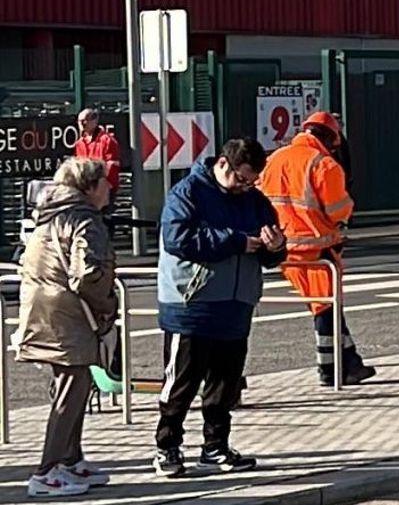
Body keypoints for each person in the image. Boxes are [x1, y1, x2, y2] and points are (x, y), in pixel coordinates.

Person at [153, 138, 285, 477]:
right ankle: (167, 447)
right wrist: (236, 241)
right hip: (191, 305)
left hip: (236, 304)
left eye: (252, 181)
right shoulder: (188, 192)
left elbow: (272, 251)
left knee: (224, 385)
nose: (245, 187)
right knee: (181, 383)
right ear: (223, 165)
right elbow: (178, 239)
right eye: (241, 179)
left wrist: (275, 246)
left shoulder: (254, 200)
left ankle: (215, 446)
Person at [14, 157, 118, 496]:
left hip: (42, 309)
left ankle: (71, 460)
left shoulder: (50, 214)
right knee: (71, 389)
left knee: (75, 382)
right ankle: (47, 469)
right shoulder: (85, 220)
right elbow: (87, 274)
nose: (110, 188)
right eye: (104, 182)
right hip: (69, 315)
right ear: (89, 187)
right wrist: (107, 307)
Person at [259, 111, 374, 386]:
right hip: (317, 248)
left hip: (285, 250)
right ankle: (329, 370)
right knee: (325, 308)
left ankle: (350, 362)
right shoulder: (324, 165)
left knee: (326, 307)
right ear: (331, 138)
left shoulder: (274, 159)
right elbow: (338, 211)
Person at [72, 109, 123, 204]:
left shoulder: (107, 141)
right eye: (79, 121)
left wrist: (102, 188)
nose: (82, 124)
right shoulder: (79, 144)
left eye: (85, 120)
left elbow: (112, 166)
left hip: (103, 191)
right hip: (86, 191)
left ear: (95, 121)